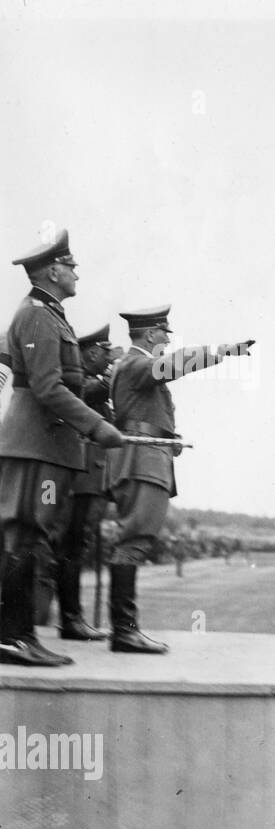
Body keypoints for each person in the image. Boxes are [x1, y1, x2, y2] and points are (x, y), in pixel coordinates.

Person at [1, 230, 125, 666]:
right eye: (71, 267)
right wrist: (97, 426)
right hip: (36, 445)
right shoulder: (36, 315)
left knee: (35, 532)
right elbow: (48, 387)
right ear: (53, 270)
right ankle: (12, 637)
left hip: (50, 447)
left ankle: (20, 634)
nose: (76, 274)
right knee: (25, 532)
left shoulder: (50, 315)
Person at [104, 305, 252, 654]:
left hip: (143, 457)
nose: (167, 341)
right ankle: (124, 631)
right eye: (164, 334)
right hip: (144, 461)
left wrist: (169, 437)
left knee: (133, 540)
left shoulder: (127, 367)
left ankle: (124, 629)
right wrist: (226, 352)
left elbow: (143, 414)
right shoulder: (138, 364)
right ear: (152, 334)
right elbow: (177, 363)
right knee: (135, 541)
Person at [54, 324, 117, 641]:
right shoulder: (82, 382)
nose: (109, 358)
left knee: (76, 544)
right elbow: (88, 393)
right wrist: (113, 374)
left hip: (89, 476)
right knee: (71, 545)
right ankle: (71, 619)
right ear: (91, 352)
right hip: (79, 476)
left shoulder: (93, 383)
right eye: (106, 352)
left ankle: (72, 618)